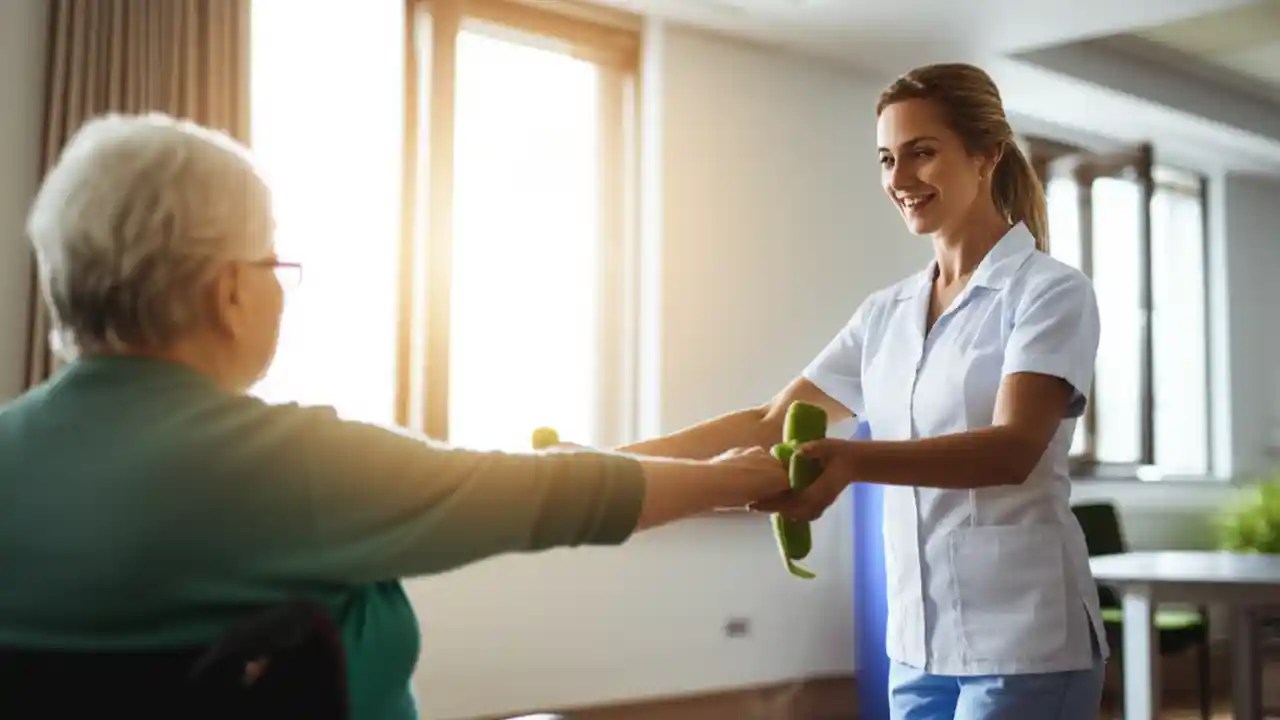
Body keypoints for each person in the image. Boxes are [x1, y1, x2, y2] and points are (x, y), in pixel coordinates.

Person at [0, 113, 788, 720]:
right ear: (226, 292)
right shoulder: (292, 465)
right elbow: (552, 494)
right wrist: (732, 480)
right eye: (273, 262)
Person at [618, 63, 1106, 719]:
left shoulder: (1048, 292)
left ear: (986, 155)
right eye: (886, 159)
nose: (900, 180)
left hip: (1026, 640)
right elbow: (772, 418)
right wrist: (619, 460)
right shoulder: (887, 312)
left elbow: (1011, 449)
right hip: (915, 641)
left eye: (922, 153)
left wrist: (850, 462)